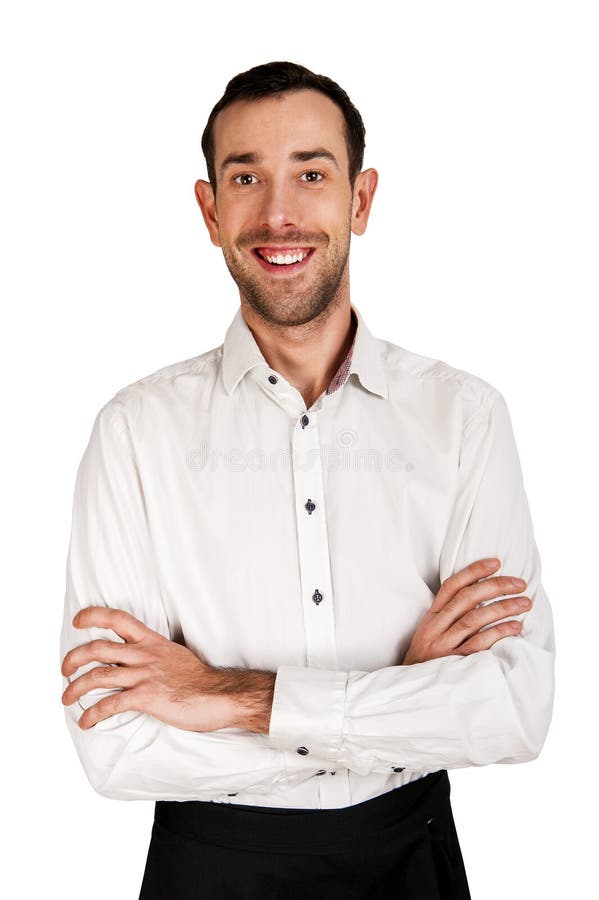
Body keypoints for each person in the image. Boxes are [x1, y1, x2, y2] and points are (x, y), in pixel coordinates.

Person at [59, 60, 555, 899]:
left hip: (412, 860)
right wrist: (405, 700)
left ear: (359, 200)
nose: (278, 214)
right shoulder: (134, 433)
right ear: (209, 211)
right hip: (208, 870)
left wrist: (222, 696)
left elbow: (512, 709)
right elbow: (115, 745)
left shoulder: (463, 419)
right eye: (245, 177)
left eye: (311, 174)